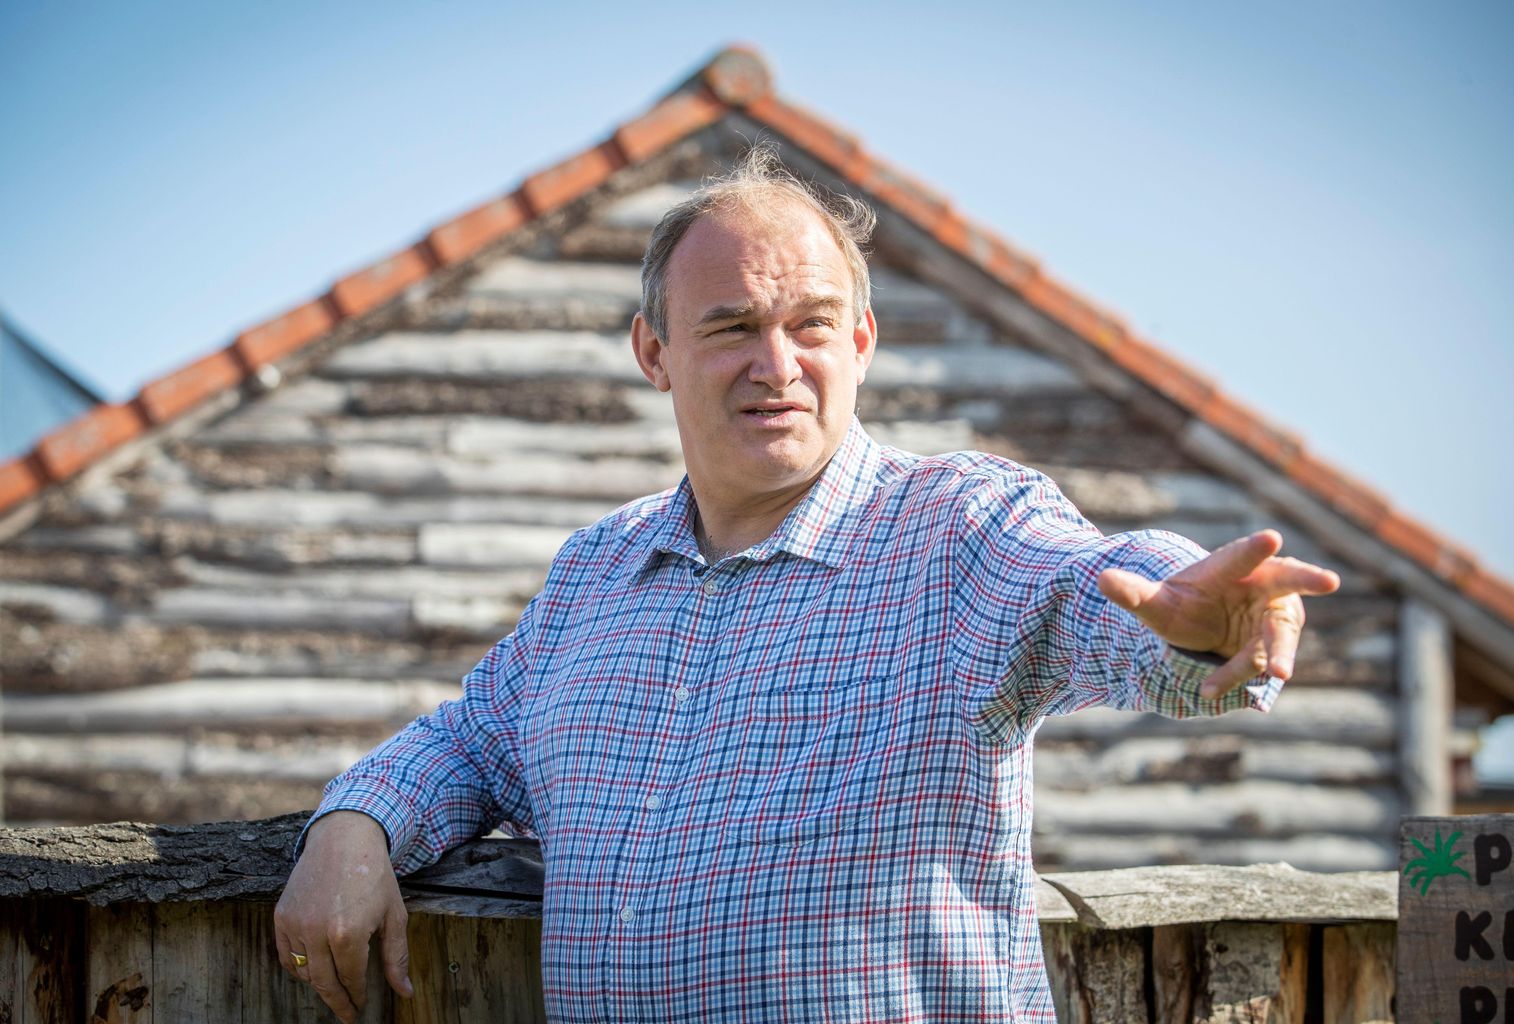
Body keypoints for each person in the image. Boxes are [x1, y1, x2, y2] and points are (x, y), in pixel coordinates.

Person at [275, 148, 1339, 1023]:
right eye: (731, 326)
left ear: (861, 341)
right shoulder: (593, 575)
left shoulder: (961, 527)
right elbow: (472, 741)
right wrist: (353, 823)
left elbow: (1097, 590)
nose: (776, 363)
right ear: (653, 351)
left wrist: (1200, 625)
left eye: (811, 325)